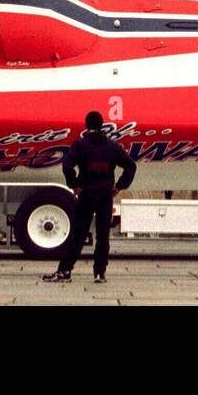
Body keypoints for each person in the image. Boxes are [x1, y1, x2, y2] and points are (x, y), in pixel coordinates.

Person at [42, 111, 136, 284]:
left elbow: (67, 165)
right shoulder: (112, 146)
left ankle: (65, 271)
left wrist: (75, 184)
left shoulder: (80, 145)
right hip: (105, 195)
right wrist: (119, 187)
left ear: (86, 125)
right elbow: (130, 166)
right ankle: (99, 273)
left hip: (86, 194)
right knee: (103, 235)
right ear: (102, 125)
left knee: (78, 234)